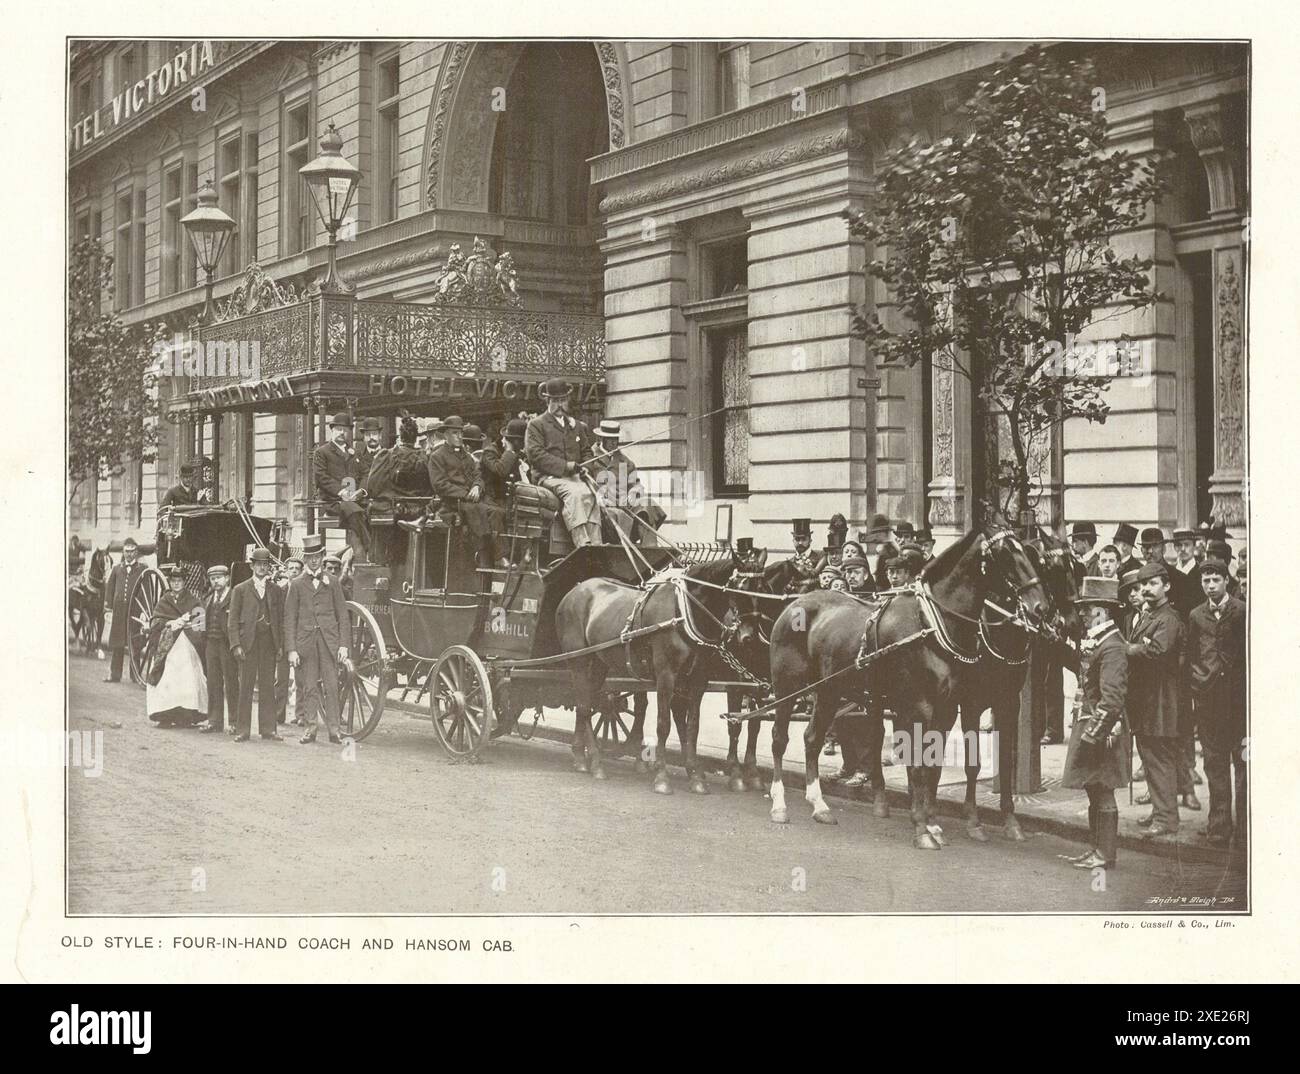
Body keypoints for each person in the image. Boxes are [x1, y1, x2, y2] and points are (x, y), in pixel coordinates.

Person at [1061, 576, 1130, 871]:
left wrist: (1092, 736)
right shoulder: (1100, 641)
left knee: (1103, 789)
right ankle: (1096, 849)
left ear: (1102, 611)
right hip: (1091, 723)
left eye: (1087, 610)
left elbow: (1112, 699)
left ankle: (1105, 854)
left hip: (1103, 729)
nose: (1083, 616)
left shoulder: (1112, 647)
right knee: (1093, 788)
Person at [1186, 557, 1247, 850]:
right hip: (1209, 702)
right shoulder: (1196, 615)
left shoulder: (1242, 612)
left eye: (1215, 580)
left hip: (1239, 704)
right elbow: (1192, 654)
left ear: (1226, 581)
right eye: (1205, 581)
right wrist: (1198, 681)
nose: (1210, 585)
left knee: (1243, 765)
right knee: (1215, 765)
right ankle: (1219, 826)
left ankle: (1246, 829)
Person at [1126, 562, 1185, 841]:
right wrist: (1141, 646)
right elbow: (1147, 649)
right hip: (1148, 699)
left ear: (1167, 586)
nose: (1147, 589)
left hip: (1163, 700)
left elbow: (1157, 654)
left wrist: (1128, 648)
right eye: (1143, 585)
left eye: (1153, 584)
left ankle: (1166, 818)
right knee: (1149, 757)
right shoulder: (1150, 617)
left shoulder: (1168, 619)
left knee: (1159, 759)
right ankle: (1159, 811)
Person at [286, 534, 350, 745]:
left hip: (328, 642)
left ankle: (334, 730)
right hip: (306, 644)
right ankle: (310, 728)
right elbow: (290, 619)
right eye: (309, 557)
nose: (313, 560)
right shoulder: (296, 584)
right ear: (305, 559)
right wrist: (292, 649)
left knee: (332, 686)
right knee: (309, 687)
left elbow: (343, 615)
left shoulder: (332, 582)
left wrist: (343, 645)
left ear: (322, 556)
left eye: (317, 556)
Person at [524, 378, 601, 547]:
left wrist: (586, 468)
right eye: (555, 401)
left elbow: (587, 452)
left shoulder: (577, 426)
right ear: (547, 400)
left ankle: (596, 544)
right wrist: (566, 467)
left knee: (592, 494)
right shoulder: (536, 425)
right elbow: (536, 455)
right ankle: (583, 544)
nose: (560, 405)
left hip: (574, 477)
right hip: (549, 477)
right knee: (574, 493)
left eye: (563, 400)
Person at [428, 414, 500, 566]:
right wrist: (466, 494)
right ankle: (486, 556)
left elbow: (478, 475)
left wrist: (477, 487)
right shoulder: (437, 457)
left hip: (470, 500)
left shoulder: (467, 456)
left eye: (461, 433)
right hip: (451, 503)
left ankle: (497, 555)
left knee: (496, 511)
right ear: (446, 434)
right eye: (455, 433)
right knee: (478, 510)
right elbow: (440, 485)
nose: (459, 436)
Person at [229, 547, 285, 742]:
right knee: (245, 685)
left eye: (266, 564)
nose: (262, 567)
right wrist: (236, 644)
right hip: (248, 643)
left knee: (268, 686)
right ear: (252, 566)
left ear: (269, 567)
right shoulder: (240, 589)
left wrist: (280, 646)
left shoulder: (276, 590)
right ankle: (243, 730)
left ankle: (268, 729)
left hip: (269, 642)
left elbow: (280, 619)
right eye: (259, 564)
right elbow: (233, 620)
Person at [144, 566, 207, 728]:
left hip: (187, 643)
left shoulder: (193, 600)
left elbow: (200, 623)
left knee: (188, 677)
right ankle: (165, 715)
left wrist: (188, 624)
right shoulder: (165, 600)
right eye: (173, 581)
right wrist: (169, 623)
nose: (176, 584)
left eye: (179, 581)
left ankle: (186, 715)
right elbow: (156, 620)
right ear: (170, 582)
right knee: (168, 676)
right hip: (169, 644)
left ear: (184, 582)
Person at [586, 418, 657, 543]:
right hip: (602, 509)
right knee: (618, 514)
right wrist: (598, 496)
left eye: (616, 439)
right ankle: (622, 553)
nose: (614, 443)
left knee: (647, 504)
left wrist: (634, 491)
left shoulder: (625, 461)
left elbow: (636, 484)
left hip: (625, 505)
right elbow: (585, 481)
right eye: (610, 440)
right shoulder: (589, 458)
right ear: (601, 439)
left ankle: (650, 550)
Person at [312, 412, 371, 561]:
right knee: (356, 512)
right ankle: (369, 550)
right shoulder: (322, 452)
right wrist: (341, 491)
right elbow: (321, 477)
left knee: (372, 509)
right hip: (333, 501)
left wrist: (361, 491)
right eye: (338, 429)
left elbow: (366, 473)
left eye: (345, 430)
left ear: (349, 432)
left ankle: (357, 557)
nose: (342, 433)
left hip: (354, 500)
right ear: (332, 430)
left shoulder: (355, 453)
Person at [198, 564, 239, 735]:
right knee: (213, 682)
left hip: (227, 644)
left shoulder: (235, 596)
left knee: (231, 682)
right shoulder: (208, 598)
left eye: (219, 578)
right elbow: (199, 619)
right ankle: (215, 720)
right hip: (211, 644)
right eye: (213, 579)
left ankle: (235, 722)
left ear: (227, 578)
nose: (216, 581)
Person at [103, 537, 144, 683]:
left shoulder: (142, 569)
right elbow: (109, 589)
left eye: (132, 551)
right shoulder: (116, 569)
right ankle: (115, 675)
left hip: (135, 611)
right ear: (123, 552)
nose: (129, 554)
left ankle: (135, 676)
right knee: (117, 643)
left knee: (135, 644)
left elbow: (147, 591)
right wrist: (108, 608)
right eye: (127, 551)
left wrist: (144, 612)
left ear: (136, 552)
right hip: (119, 611)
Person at [276, 556, 303, 726]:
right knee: (281, 678)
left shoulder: (304, 591)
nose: (293, 571)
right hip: (283, 639)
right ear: (286, 571)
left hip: (300, 639)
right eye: (291, 568)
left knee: (301, 678)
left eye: (297, 568)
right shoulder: (280, 591)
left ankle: (300, 715)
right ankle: (279, 714)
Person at [787, 518, 820, 592]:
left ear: (810, 540)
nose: (800, 543)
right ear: (793, 540)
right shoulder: (790, 562)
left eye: (804, 539)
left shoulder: (819, 558)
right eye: (797, 539)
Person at [354, 417, 384, 488]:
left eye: (374, 434)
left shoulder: (388, 455)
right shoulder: (358, 458)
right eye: (367, 434)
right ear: (364, 437)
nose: (371, 437)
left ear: (380, 436)